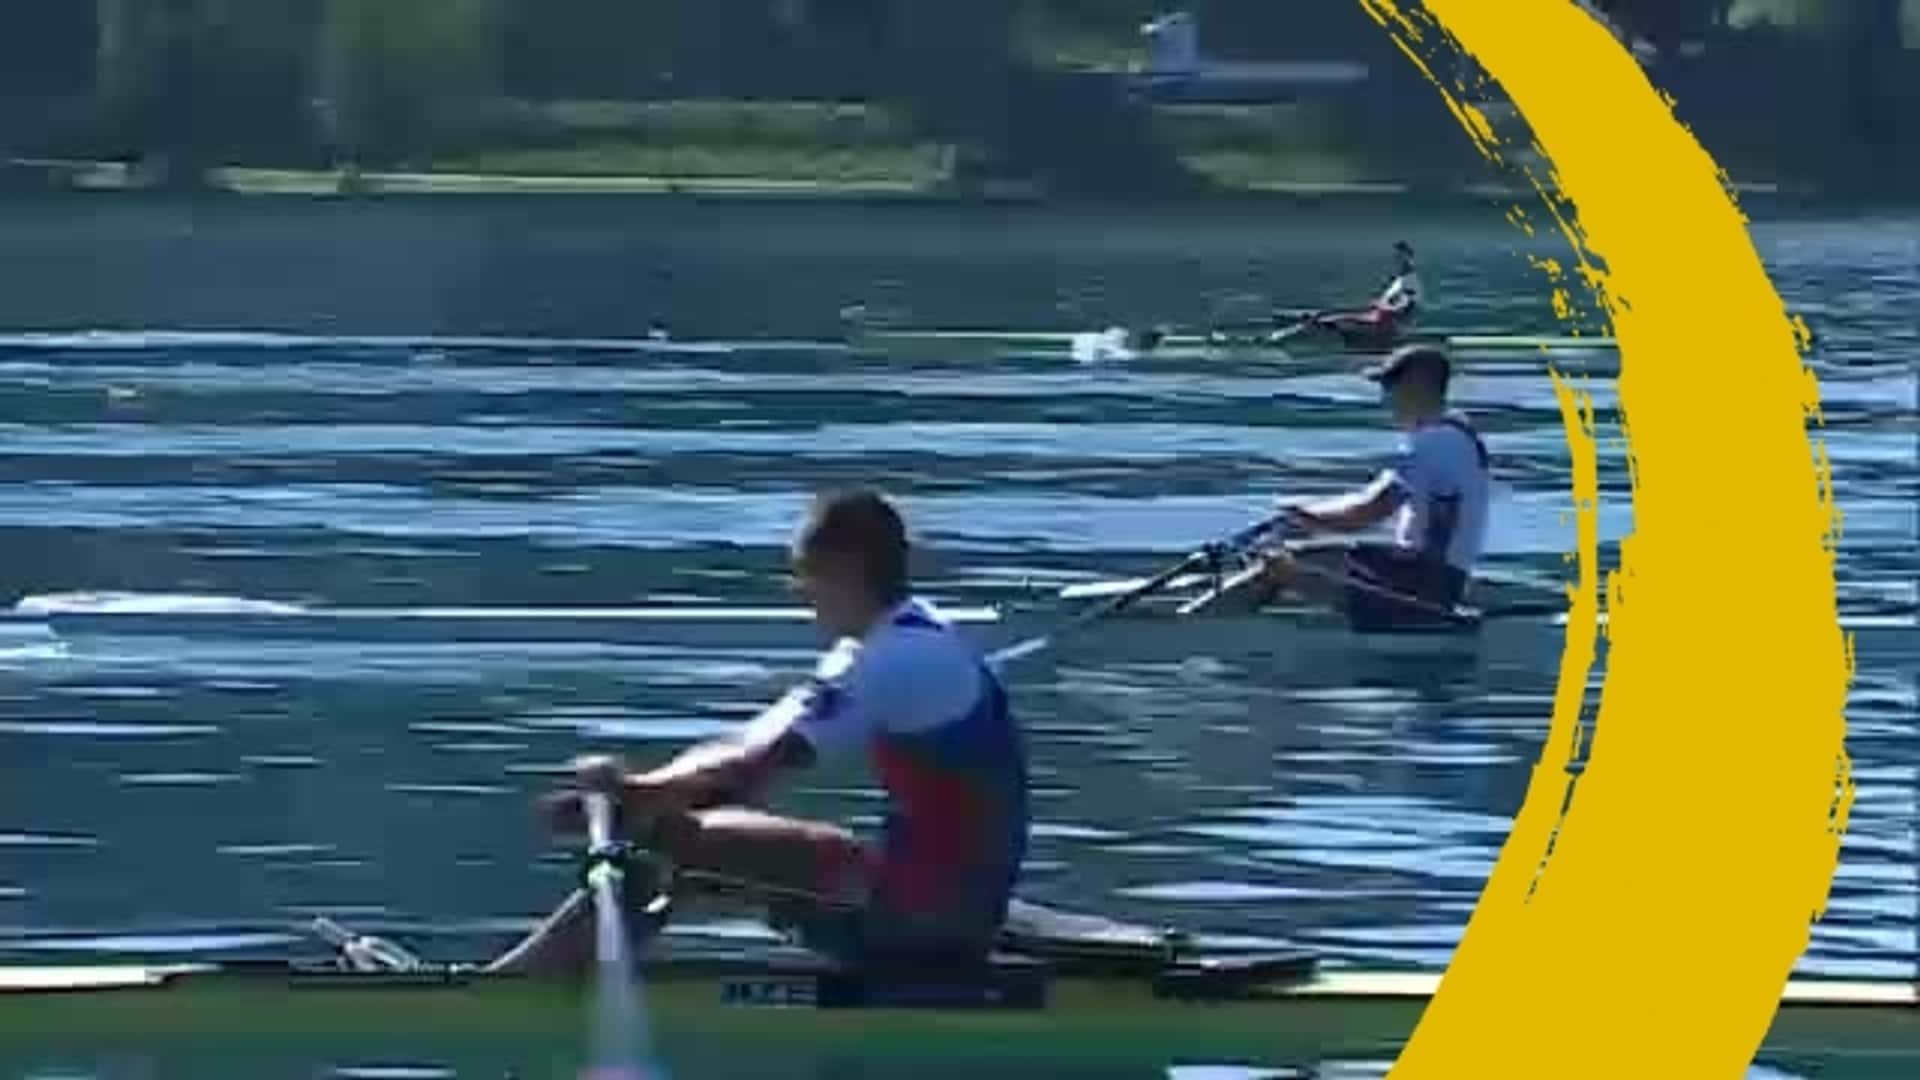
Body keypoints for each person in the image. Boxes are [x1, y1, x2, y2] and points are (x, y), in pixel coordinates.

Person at [478, 488, 1030, 975]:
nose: (800, 591)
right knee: (677, 832)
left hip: (929, 922)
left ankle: (516, 992)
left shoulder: (896, 659)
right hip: (942, 894)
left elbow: (753, 768)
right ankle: (544, 976)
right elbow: (743, 745)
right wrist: (646, 796)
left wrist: (636, 796)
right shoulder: (903, 634)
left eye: (804, 572)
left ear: (846, 568)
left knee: (677, 846)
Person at [1183, 345, 1489, 630]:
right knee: (1308, 555)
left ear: (1418, 385)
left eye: (1390, 386)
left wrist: (1306, 516)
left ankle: (1195, 627)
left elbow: (1369, 510)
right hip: (1425, 576)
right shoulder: (1454, 435)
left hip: (1422, 587)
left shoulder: (1437, 443)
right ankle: (1223, 609)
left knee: (1282, 564)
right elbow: (1366, 500)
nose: (1385, 399)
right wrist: (1305, 516)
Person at [1286, 241, 1423, 351]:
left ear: (1408, 258)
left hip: (1387, 323)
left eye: (1399, 257)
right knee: (1330, 317)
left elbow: (1406, 304)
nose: (1396, 261)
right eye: (1396, 257)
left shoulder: (1409, 280)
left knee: (1335, 320)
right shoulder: (1399, 279)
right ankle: (1314, 326)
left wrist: (1387, 307)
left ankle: (1313, 331)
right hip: (1379, 317)